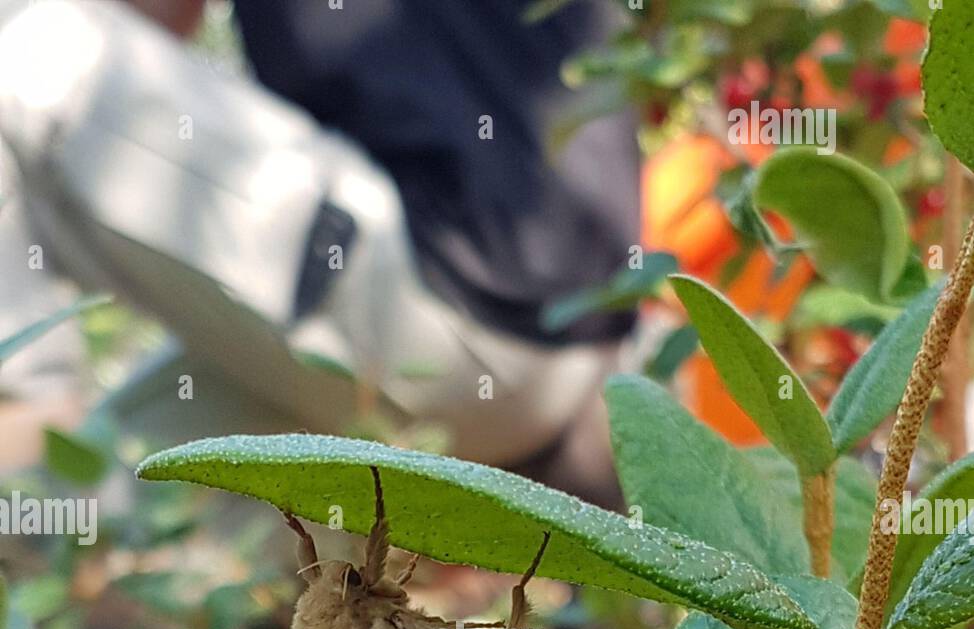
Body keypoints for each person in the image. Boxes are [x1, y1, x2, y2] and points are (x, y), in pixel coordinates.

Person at [0, 0, 641, 489]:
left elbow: (157, 17)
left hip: (443, 306)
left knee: (25, 46)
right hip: (560, 369)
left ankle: (20, 407)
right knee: (81, 507)